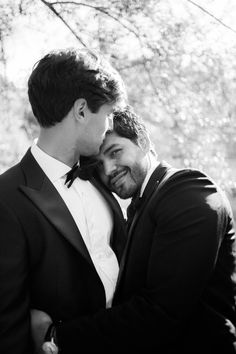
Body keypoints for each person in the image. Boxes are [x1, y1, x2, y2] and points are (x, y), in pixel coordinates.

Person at [32, 105, 236, 354]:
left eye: (115, 152)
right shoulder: (144, 204)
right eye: (99, 164)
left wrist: (58, 336)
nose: (108, 170)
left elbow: (160, 314)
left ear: (144, 141)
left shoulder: (191, 193)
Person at [0, 48, 128, 354]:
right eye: (107, 114)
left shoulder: (103, 173)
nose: (110, 126)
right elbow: (8, 330)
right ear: (82, 111)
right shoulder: (6, 199)